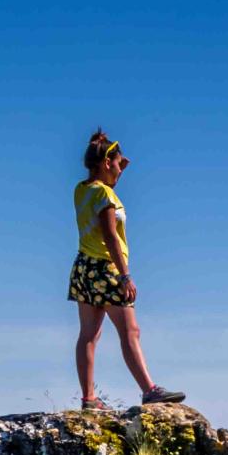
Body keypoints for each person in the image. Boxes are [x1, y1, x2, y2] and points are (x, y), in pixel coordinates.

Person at [71, 130, 185, 410]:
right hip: (107, 267)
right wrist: (124, 275)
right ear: (107, 162)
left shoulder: (82, 189)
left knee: (89, 334)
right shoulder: (105, 195)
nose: (122, 169)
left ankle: (89, 399)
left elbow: (113, 168)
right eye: (118, 163)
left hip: (84, 266)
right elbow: (110, 235)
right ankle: (150, 390)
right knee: (130, 330)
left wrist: (109, 151)